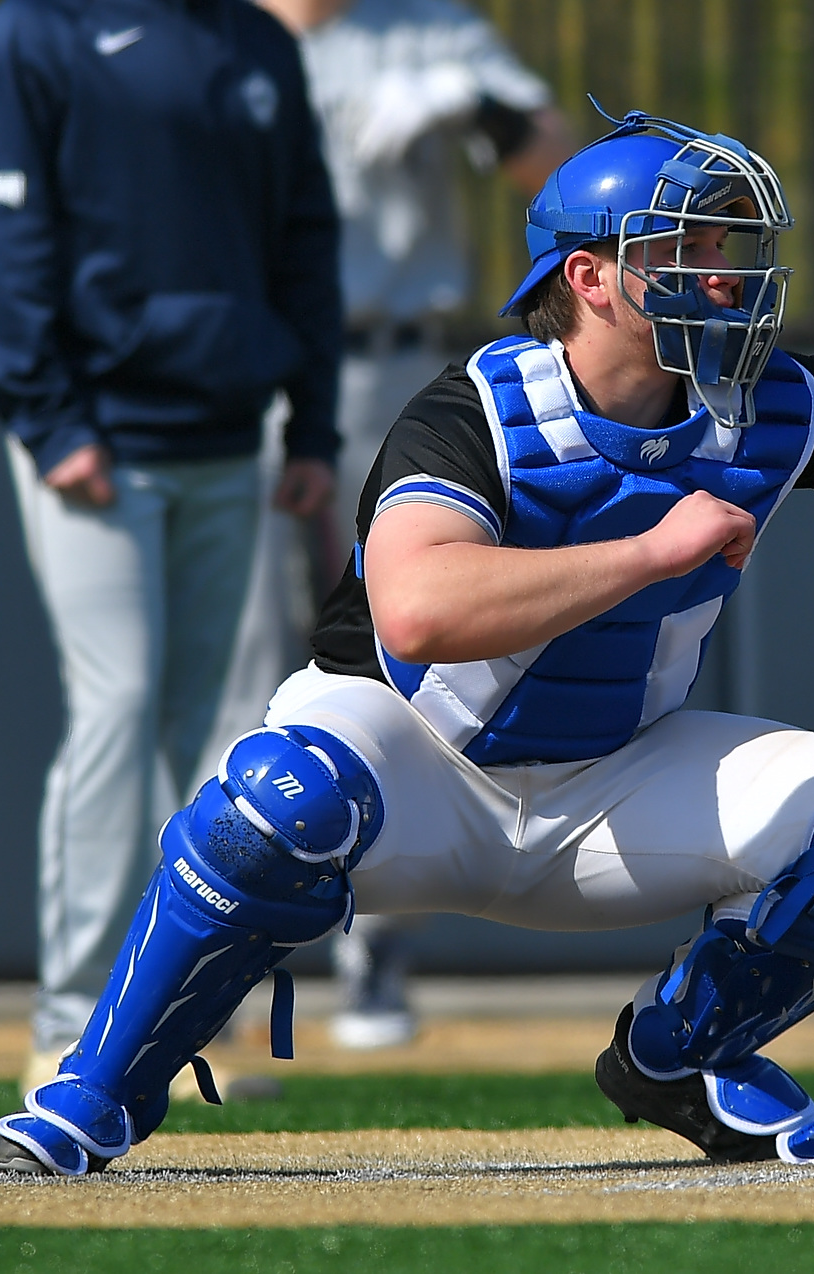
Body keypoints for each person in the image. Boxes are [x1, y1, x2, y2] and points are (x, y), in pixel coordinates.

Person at [0, 108, 814, 1176]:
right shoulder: (476, 404)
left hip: (609, 783)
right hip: (414, 755)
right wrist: (651, 551)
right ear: (589, 275)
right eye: (691, 249)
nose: (728, 277)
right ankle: (90, 1097)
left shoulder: (771, 400)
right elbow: (418, 608)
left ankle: (680, 1057)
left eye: (735, 249)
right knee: (276, 800)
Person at [0, 0, 342, 1096]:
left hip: (230, 440)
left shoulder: (257, 40)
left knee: (199, 731)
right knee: (117, 708)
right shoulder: (34, 34)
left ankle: (168, 1022)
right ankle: (72, 1019)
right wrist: (49, 417)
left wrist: (309, 424)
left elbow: (304, 236)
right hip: (100, 443)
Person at [220, 0, 575, 1050]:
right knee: (230, 673)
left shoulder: (424, 29)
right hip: (246, 366)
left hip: (385, 355)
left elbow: (560, 170)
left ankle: (375, 953)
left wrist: (483, 108)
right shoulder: (213, 30)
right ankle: (227, 946)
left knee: (394, 662)